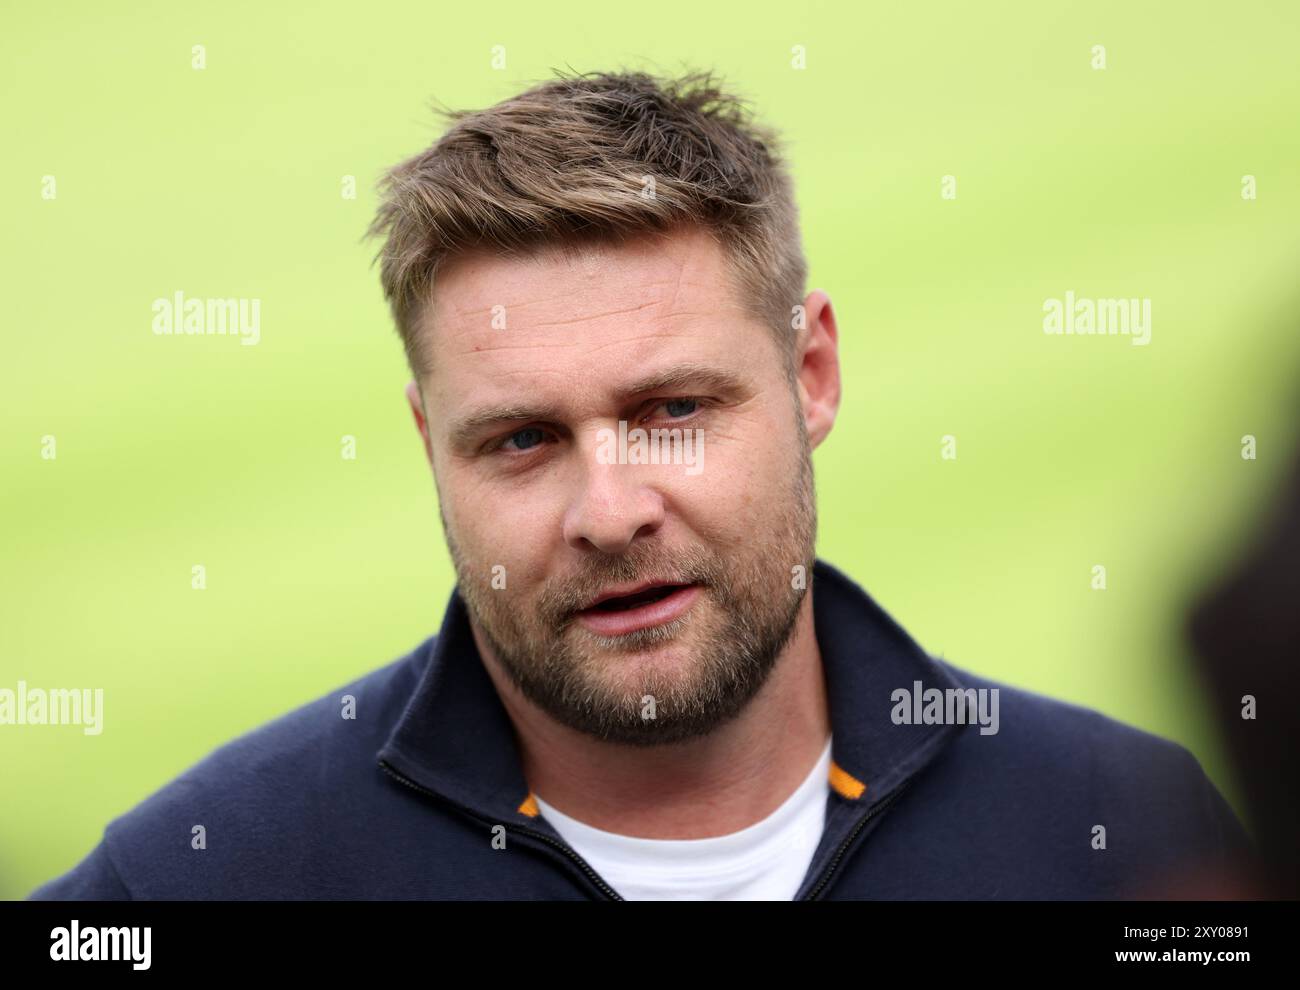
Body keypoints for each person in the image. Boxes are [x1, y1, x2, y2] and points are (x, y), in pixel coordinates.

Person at [30, 69, 1255, 900]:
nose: (608, 513)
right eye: (518, 440)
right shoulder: (203, 877)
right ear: (427, 446)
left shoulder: (1127, 829)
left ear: (810, 372)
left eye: (671, 412)